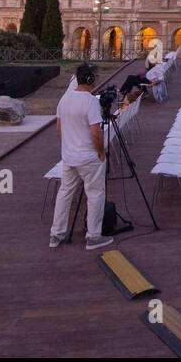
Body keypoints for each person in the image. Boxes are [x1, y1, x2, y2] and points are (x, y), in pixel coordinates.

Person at [49, 63, 114, 251]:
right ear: (90, 79)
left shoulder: (64, 100)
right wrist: (101, 152)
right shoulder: (90, 101)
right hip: (88, 158)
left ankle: (56, 234)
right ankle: (93, 236)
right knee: (95, 194)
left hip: (69, 157)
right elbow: (96, 132)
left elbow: (60, 129)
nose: (98, 80)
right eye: (96, 77)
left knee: (65, 193)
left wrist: (70, 146)